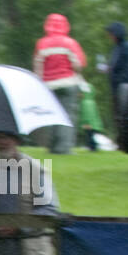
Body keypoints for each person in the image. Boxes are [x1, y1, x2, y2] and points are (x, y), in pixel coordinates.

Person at [32, 13, 86, 155]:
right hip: (68, 83)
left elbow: (38, 66)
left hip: (48, 86)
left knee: (51, 116)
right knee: (67, 116)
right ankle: (64, 147)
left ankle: (52, 147)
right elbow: (78, 65)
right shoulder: (70, 43)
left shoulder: (41, 43)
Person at [105, 22, 128, 154]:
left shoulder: (127, 47)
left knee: (124, 116)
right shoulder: (117, 48)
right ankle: (122, 143)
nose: (109, 36)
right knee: (118, 116)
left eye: (111, 33)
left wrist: (118, 78)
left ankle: (127, 145)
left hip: (124, 86)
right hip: (117, 86)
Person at [78, 80, 105, 152]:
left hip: (89, 124)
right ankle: (94, 147)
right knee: (93, 136)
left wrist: (86, 123)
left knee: (90, 136)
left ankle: (92, 148)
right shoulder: (92, 101)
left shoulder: (85, 102)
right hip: (94, 124)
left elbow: (87, 114)